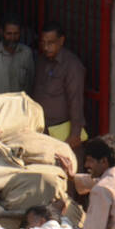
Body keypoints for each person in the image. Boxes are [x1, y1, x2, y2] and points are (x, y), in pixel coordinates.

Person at [31, 20, 87, 152]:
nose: (46, 47)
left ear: (61, 41)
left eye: (50, 43)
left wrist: (75, 134)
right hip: (42, 130)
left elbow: (76, 101)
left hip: (62, 133)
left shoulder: (71, 66)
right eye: (43, 43)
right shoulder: (41, 60)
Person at [0, 15, 35, 95]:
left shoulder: (26, 53)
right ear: (1, 32)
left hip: (19, 105)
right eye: (9, 34)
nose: (12, 37)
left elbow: (30, 84)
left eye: (16, 34)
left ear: (20, 33)